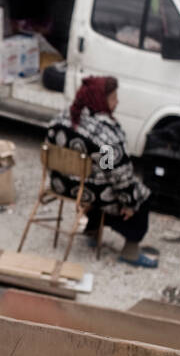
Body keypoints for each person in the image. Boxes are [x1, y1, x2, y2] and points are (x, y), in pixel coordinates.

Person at [46, 75, 156, 267]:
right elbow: (116, 174)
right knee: (140, 195)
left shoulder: (61, 120)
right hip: (89, 193)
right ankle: (130, 251)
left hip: (61, 185)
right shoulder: (105, 136)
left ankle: (92, 230)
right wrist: (129, 202)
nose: (117, 102)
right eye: (113, 98)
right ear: (100, 100)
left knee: (97, 179)